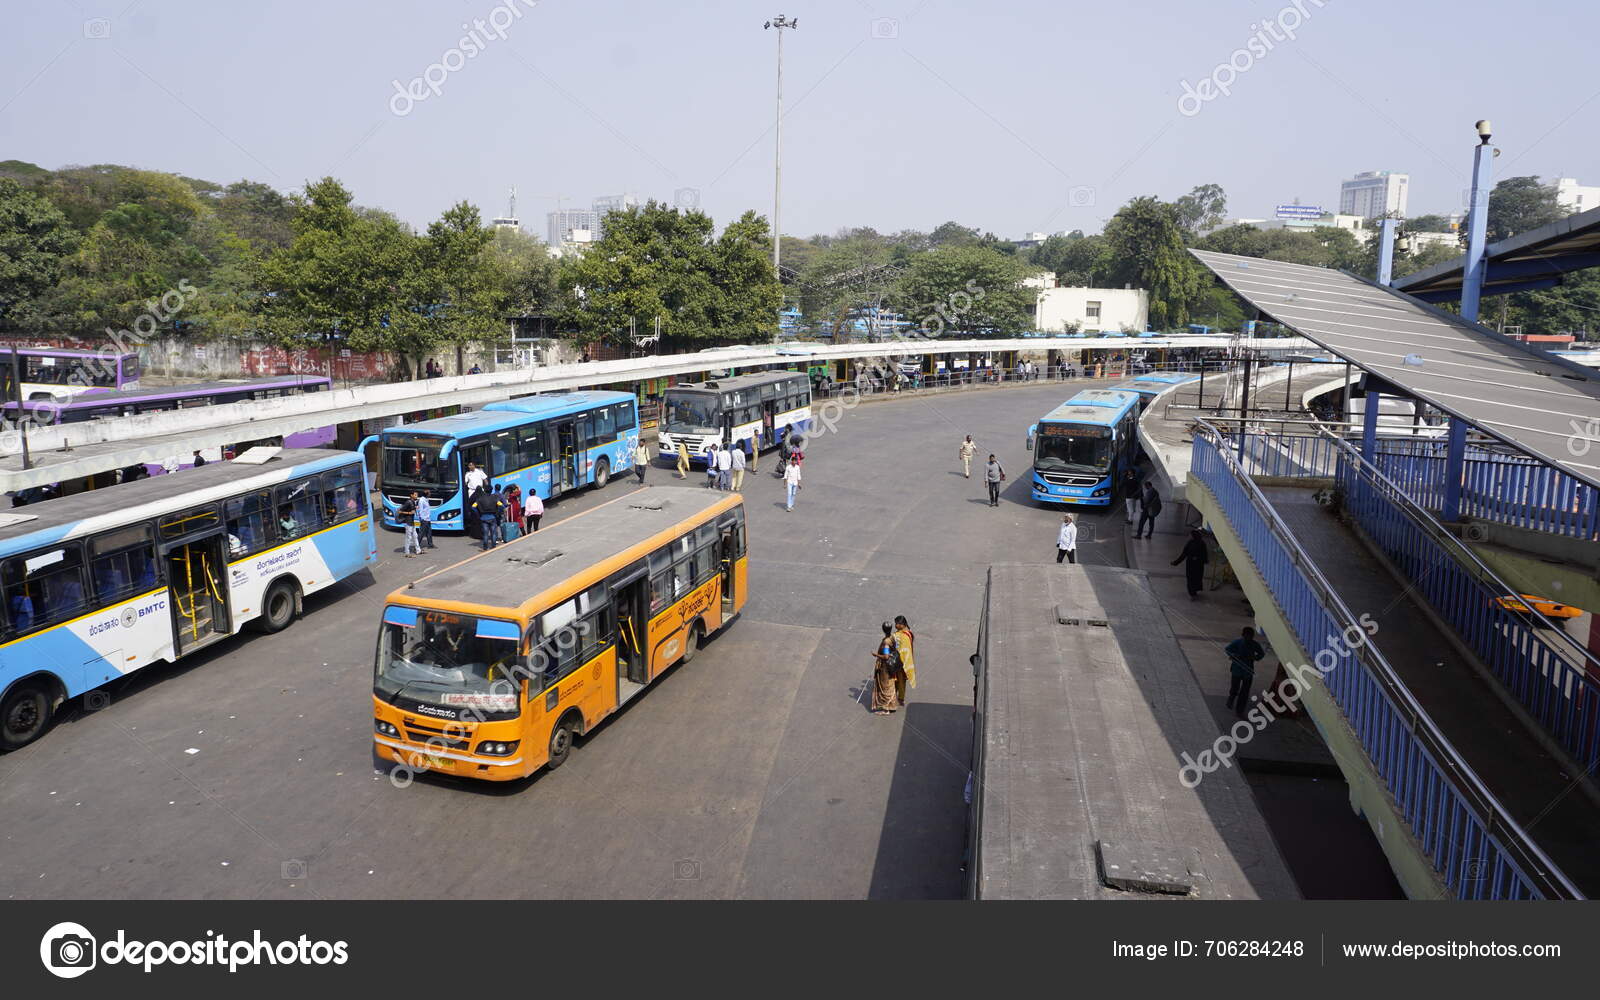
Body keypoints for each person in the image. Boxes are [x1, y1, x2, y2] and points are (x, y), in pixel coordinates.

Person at [1225, 626, 1266, 717]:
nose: (1249, 638)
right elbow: (1227, 649)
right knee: (1235, 688)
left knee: (1244, 692)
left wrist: (1255, 658)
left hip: (1248, 671)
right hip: (1237, 670)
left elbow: (1261, 654)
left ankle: (1239, 711)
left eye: (1250, 636)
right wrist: (1234, 655)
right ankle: (1231, 698)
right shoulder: (1237, 642)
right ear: (1243, 635)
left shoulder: (1255, 644)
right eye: (1247, 636)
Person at [870, 622, 901, 715]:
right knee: (890, 684)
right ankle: (892, 705)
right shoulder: (892, 637)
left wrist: (876, 655)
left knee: (885, 686)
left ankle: (886, 709)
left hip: (885, 667)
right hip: (891, 666)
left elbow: (886, 657)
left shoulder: (886, 642)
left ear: (883, 630)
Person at [1171, 528, 1210, 600]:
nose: (1190, 536)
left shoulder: (1201, 543)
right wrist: (1176, 562)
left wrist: (1200, 559)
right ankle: (1192, 592)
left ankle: (1194, 591)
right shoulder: (1190, 543)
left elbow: (1204, 554)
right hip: (1191, 564)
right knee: (1190, 578)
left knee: (1196, 578)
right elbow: (1184, 554)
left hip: (1197, 565)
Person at [892, 615, 917, 705]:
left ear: (902, 624)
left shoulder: (905, 636)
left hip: (901, 661)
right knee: (899, 680)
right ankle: (899, 697)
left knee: (899, 680)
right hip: (901, 660)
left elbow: (904, 649)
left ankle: (898, 697)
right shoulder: (906, 633)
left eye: (897, 624)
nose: (895, 626)